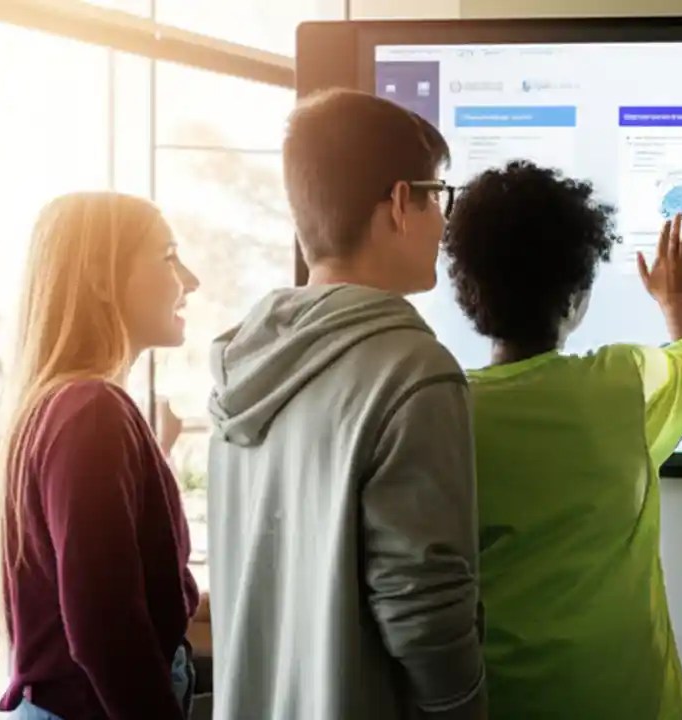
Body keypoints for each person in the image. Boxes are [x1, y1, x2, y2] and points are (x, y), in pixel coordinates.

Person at [441, 159, 682, 719]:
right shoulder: (619, 387)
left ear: (468, 290)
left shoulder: (441, 410)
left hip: (499, 703)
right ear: (577, 296)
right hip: (626, 700)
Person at [205, 88, 485, 719]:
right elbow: (425, 614)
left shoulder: (239, 371)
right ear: (397, 203)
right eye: (438, 195)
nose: (445, 220)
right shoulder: (412, 372)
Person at [0, 192, 201, 719]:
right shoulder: (91, 411)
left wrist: (152, 455)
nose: (190, 280)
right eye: (167, 255)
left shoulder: (64, 406)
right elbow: (104, 626)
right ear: (99, 279)